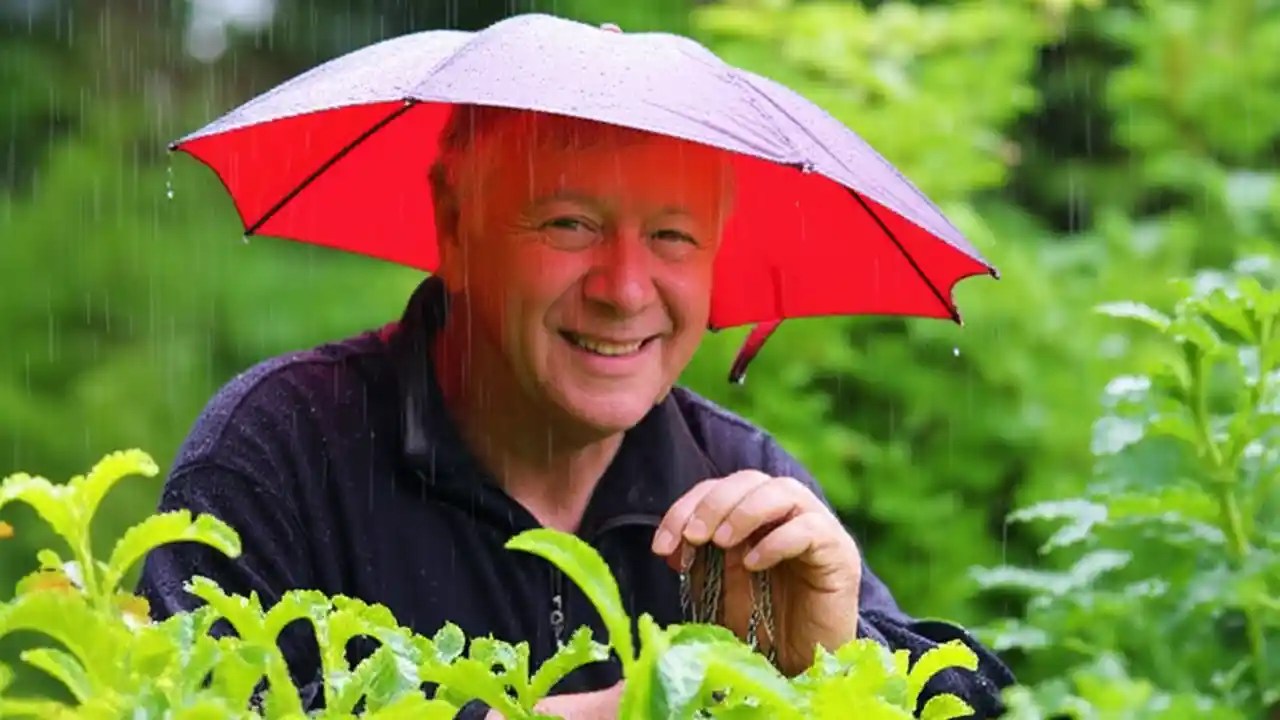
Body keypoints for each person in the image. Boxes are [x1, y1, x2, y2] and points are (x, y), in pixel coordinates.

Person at [135, 105, 1014, 718]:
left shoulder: (749, 488)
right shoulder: (280, 452)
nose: (626, 290)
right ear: (454, 225)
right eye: (568, 223)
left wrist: (836, 670)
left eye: (673, 236)